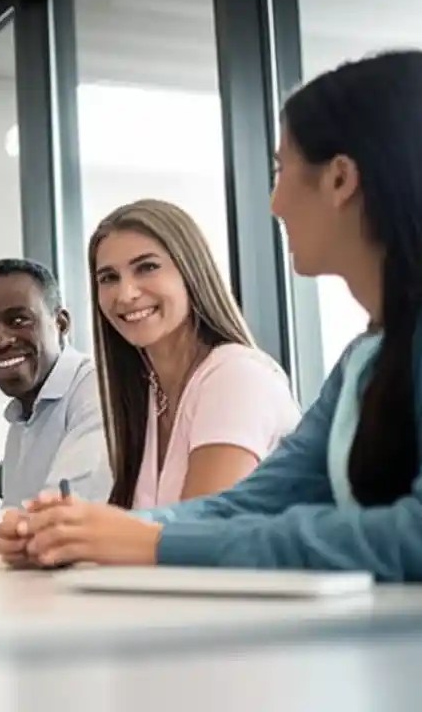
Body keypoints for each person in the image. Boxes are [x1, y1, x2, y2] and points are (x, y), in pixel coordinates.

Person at [0, 50, 422, 582]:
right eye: (108, 277)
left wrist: (144, 539)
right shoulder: (367, 356)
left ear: (340, 179)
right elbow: (254, 502)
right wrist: (84, 535)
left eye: (282, 170)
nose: (274, 203)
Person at [88, 200, 300, 509]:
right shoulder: (146, 393)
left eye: (147, 267)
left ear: (191, 272)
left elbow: (201, 532)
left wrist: (81, 534)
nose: (125, 294)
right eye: (108, 278)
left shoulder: (236, 375)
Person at [0, 258, 108, 505]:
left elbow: (59, 516)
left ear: (61, 324)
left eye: (19, 321)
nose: (1, 341)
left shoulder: (97, 392)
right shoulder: (21, 416)